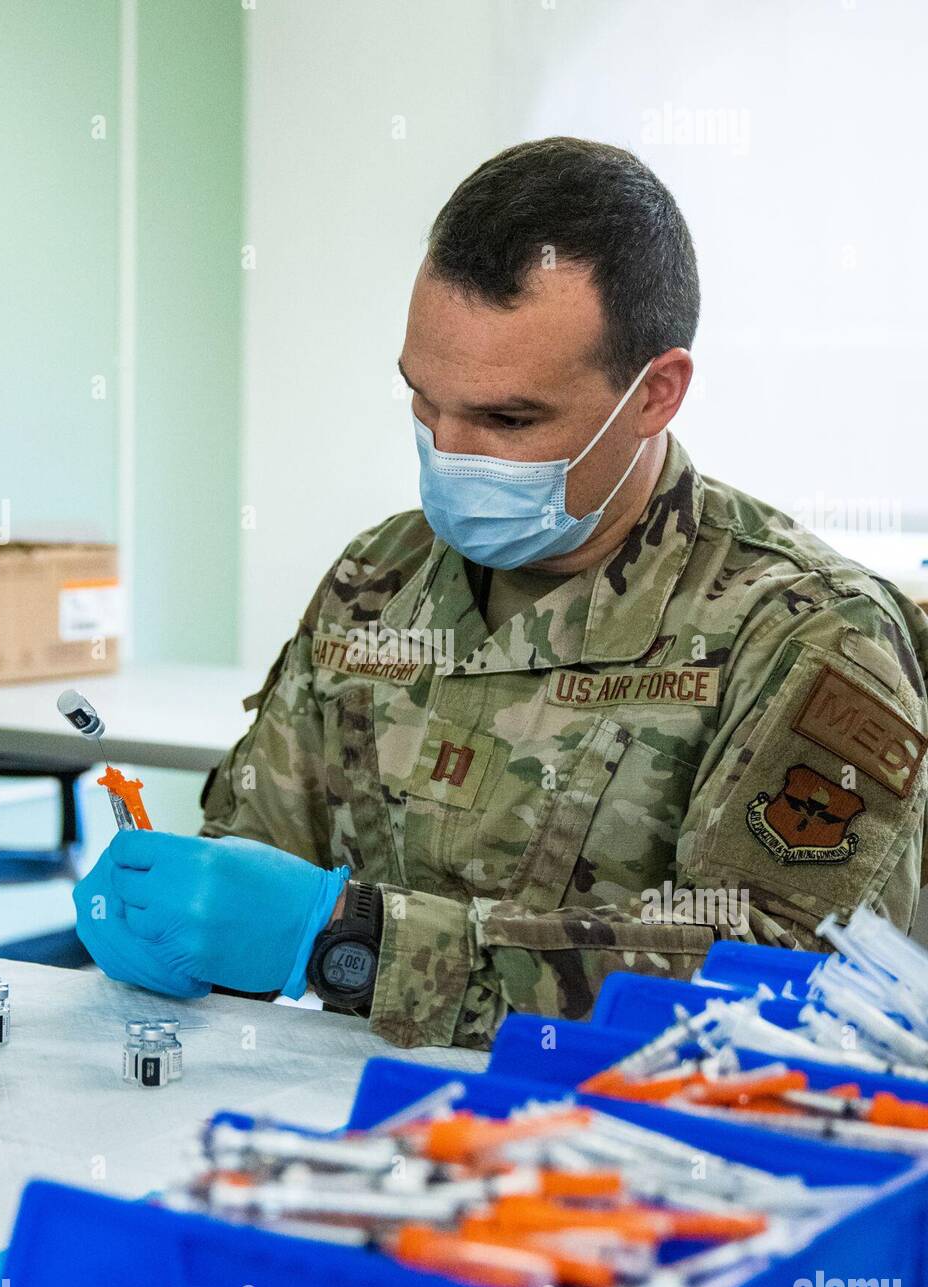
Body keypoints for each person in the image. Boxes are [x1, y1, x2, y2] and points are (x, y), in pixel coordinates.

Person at [75, 137, 928, 1050]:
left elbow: (785, 990)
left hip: (643, 1159)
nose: (450, 452)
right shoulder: (381, 580)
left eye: (508, 418)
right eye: (424, 401)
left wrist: (349, 942)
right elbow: (253, 858)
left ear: (656, 395)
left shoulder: (805, 630)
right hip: (351, 1131)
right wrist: (175, 914)